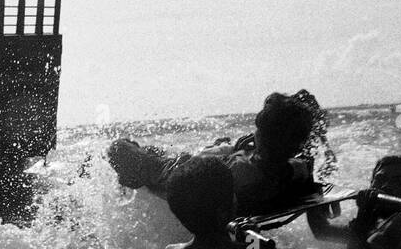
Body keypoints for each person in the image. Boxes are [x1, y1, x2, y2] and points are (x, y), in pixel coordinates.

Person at [108, 91, 325, 216]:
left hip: (176, 177)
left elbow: (200, 171)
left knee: (119, 148)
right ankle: (130, 171)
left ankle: (125, 179)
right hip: (194, 167)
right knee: (149, 151)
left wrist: (233, 151)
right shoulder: (299, 168)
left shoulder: (241, 172)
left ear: (260, 134)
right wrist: (237, 149)